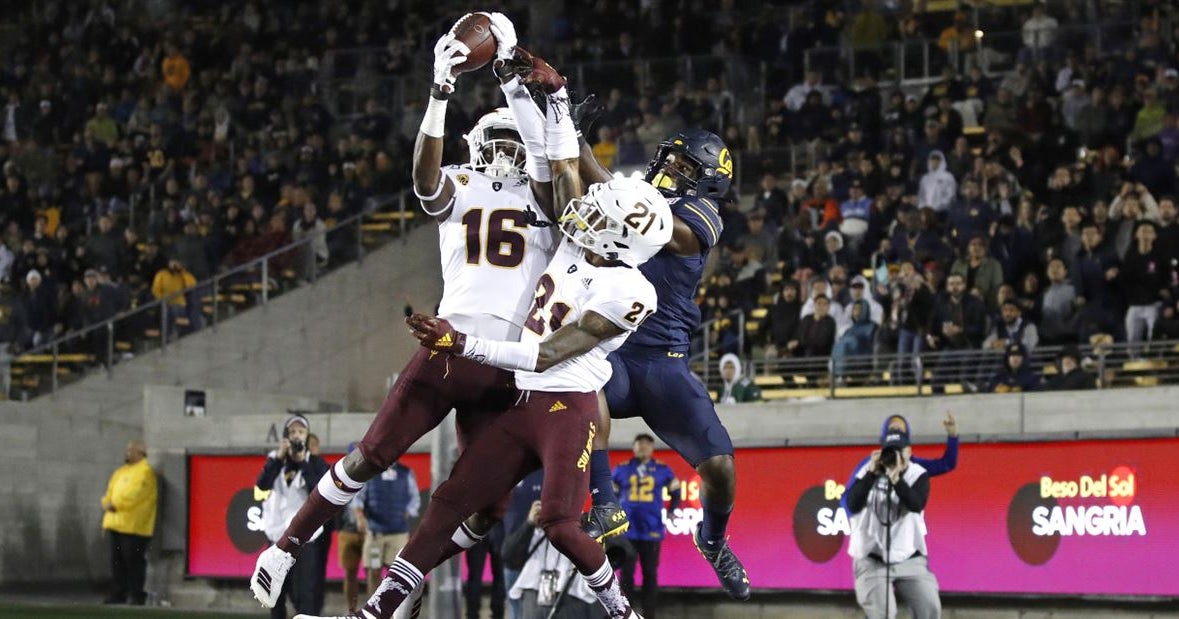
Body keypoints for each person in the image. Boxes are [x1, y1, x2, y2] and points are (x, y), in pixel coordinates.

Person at [249, 13, 559, 612]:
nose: (498, 153)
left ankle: (401, 574)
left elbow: (431, 175)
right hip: (463, 349)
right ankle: (284, 548)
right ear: (477, 148)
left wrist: (468, 86)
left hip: (503, 364)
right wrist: (442, 94)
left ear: (524, 148)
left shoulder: (543, 195)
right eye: (491, 144)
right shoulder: (503, 189)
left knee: (488, 507)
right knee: (370, 456)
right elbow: (425, 181)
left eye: (508, 143)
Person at [371, 174, 673, 619]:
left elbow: (545, 355)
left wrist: (462, 344)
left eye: (599, 216)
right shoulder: (574, 244)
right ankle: (379, 609)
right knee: (450, 500)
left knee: (559, 525)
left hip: (568, 408)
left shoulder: (630, 293)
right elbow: (564, 168)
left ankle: (624, 613)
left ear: (619, 240)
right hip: (523, 402)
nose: (584, 215)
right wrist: (549, 106)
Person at [569, 115, 750, 599]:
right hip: (613, 348)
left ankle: (712, 540)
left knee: (721, 468)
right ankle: (605, 503)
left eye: (684, 162)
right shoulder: (647, 199)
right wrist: (575, 136)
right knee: (584, 381)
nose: (669, 165)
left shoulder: (704, 212)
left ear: (709, 177)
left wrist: (598, 177)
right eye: (669, 156)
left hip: (663, 360)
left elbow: (658, 230)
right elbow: (610, 192)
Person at [845, 428, 941, 619]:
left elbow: (915, 504)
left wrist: (896, 479)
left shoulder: (917, 474)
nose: (896, 456)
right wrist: (871, 474)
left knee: (930, 608)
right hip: (871, 559)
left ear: (909, 452)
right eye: (891, 451)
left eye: (900, 450)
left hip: (909, 558)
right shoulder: (868, 471)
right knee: (884, 615)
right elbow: (852, 504)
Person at [257, 414, 330, 619]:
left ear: (306, 436)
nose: (297, 436)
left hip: (306, 538)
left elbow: (320, 491)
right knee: (275, 591)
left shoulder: (315, 463)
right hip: (277, 536)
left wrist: (302, 463)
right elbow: (262, 486)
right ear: (285, 436)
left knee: (305, 593)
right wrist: (280, 457)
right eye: (292, 432)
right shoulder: (275, 460)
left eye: (301, 432)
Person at [612, 434, 681, 619]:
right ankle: (625, 614)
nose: (643, 447)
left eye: (646, 444)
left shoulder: (662, 469)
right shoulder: (621, 469)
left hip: (651, 530)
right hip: (626, 531)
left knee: (649, 574)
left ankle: (649, 614)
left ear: (652, 448)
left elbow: (676, 490)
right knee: (626, 575)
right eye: (639, 444)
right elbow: (609, 495)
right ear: (633, 447)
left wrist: (672, 509)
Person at [503, 500, 606, 619]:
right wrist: (529, 523)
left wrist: (590, 526)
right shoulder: (537, 522)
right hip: (534, 593)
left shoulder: (589, 523)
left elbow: (621, 552)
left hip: (575, 596)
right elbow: (508, 557)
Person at [101, 440, 157, 606]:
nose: (127, 453)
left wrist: (116, 505)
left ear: (141, 453)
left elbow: (135, 495)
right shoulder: (120, 472)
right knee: (117, 561)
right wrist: (106, 503)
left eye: (131, 450)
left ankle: (137, 594)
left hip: (135, 526)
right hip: (116, 523)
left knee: (134, 561)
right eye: (127, 450)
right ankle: (119, 593)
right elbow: (109, 492)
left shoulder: (145, 472)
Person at [354, 459, 420, 598]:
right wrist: (360, 516)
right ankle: (373, 611)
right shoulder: (370, 473)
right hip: (375, 534)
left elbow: (415, 499)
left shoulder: (406, 473)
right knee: (373, 571)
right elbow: (358, 498)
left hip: (398, 535)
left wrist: (404, 514)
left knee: (395, 575)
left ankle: (390, 612)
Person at [335, 445, 365, 613]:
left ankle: (374, 612)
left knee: (373, 573)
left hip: (369, 532)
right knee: (349, 573)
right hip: (347, 531)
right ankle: (351, 610)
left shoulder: (372, 477)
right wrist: (338, 528)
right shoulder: (340, 478)